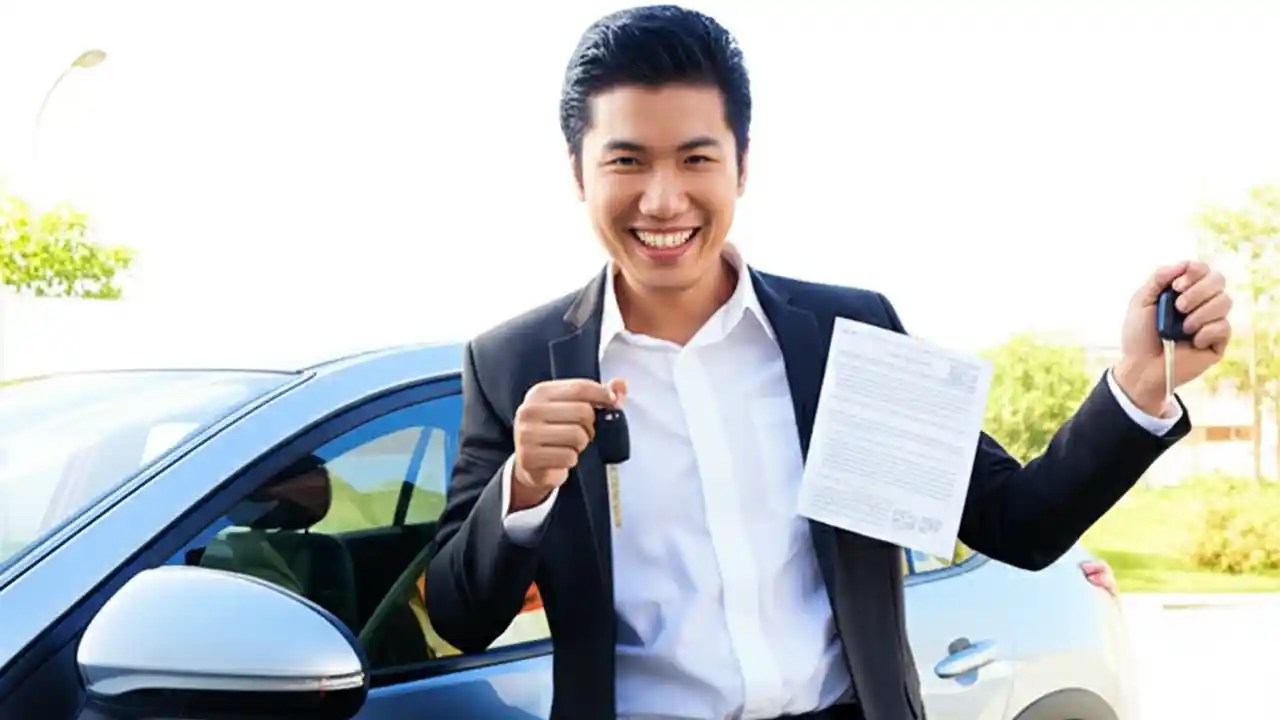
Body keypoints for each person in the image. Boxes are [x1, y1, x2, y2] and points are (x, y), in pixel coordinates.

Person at [425, 5, 1233, 719]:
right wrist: (522, 488)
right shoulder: (517, 363)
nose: (663, 200)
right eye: (628, 161)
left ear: (743, 166)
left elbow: (1016, 523)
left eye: (696, 159)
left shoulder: (847, 334)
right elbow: (461, 616)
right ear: (578, 173)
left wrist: (1143, 380)